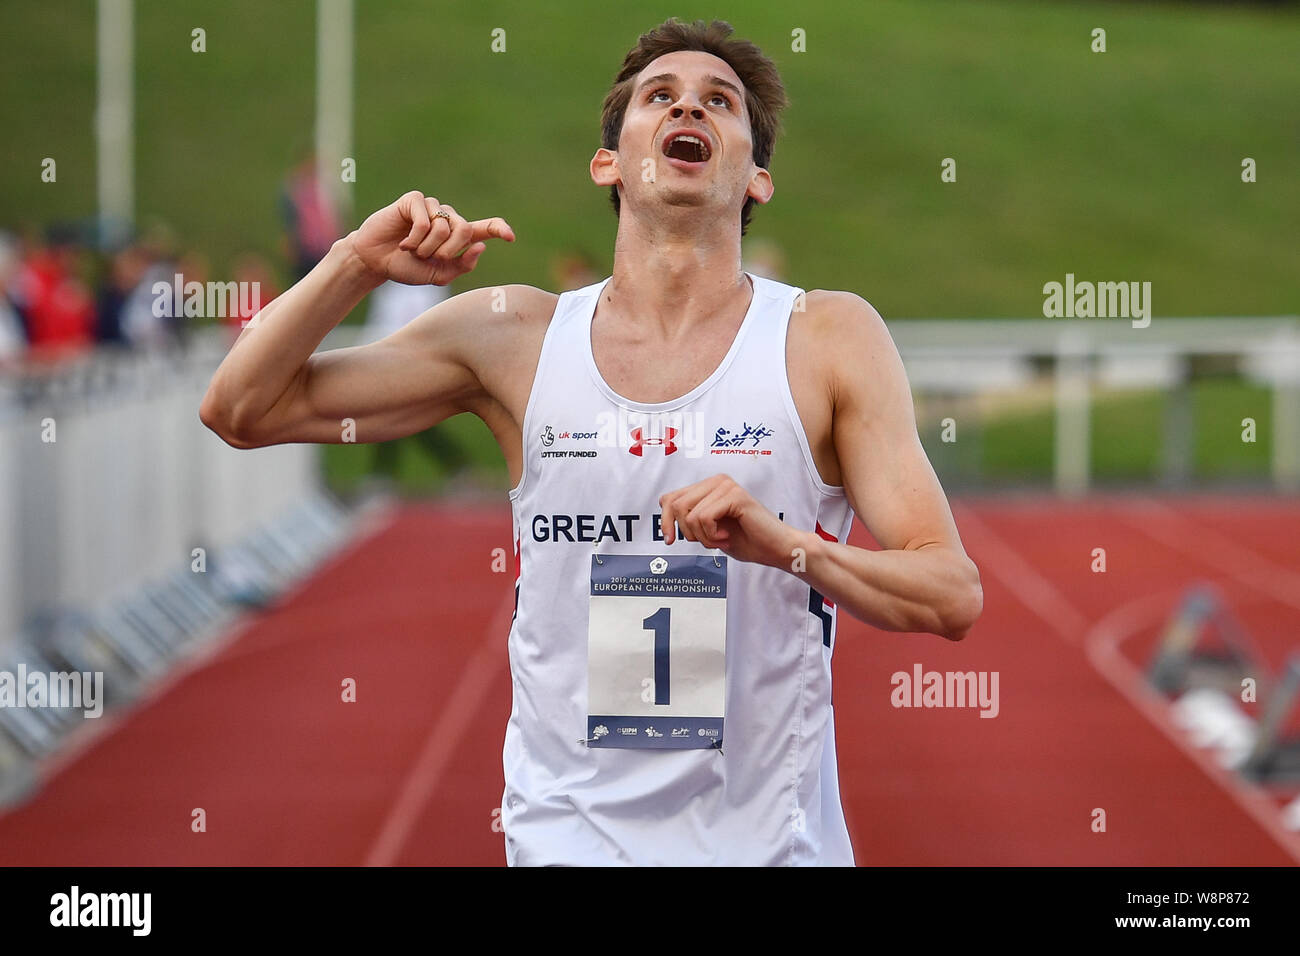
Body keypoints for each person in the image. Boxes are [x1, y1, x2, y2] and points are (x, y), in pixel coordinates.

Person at [201, 17, 982, 866]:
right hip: (567, 844)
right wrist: (355, 260)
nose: (691, 106)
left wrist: (791, 548)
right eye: (662, 96)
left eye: (720, 102)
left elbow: (949, 592)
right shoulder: (514, 339)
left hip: (772, 850)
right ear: (608, 161)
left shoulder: (826, 338)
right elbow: (243, 408)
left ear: (756, 178)